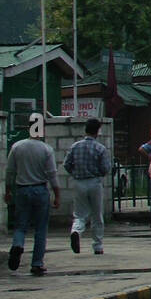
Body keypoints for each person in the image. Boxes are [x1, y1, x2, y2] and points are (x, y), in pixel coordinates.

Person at [5, 132, 60, 275]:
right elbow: (52, 174)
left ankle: (17, 245)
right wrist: (57, 195)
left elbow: (10, 171)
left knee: (20, 225)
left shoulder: (17, 146)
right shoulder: (46, 149)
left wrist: (8, 190)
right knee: (40, 228)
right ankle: (37, 264)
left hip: (22, 190)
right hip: (40, 190)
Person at [64, 118, 112, 256]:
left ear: (85, 130)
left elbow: (67, 164)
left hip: (79, 182)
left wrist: (75, 173)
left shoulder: (75, 146)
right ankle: (97, 246)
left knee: (79, 214)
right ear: (97, 131)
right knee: (97, 215)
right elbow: (105, 168)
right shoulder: (100, 148)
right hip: (94, 182)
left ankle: (76, 231)